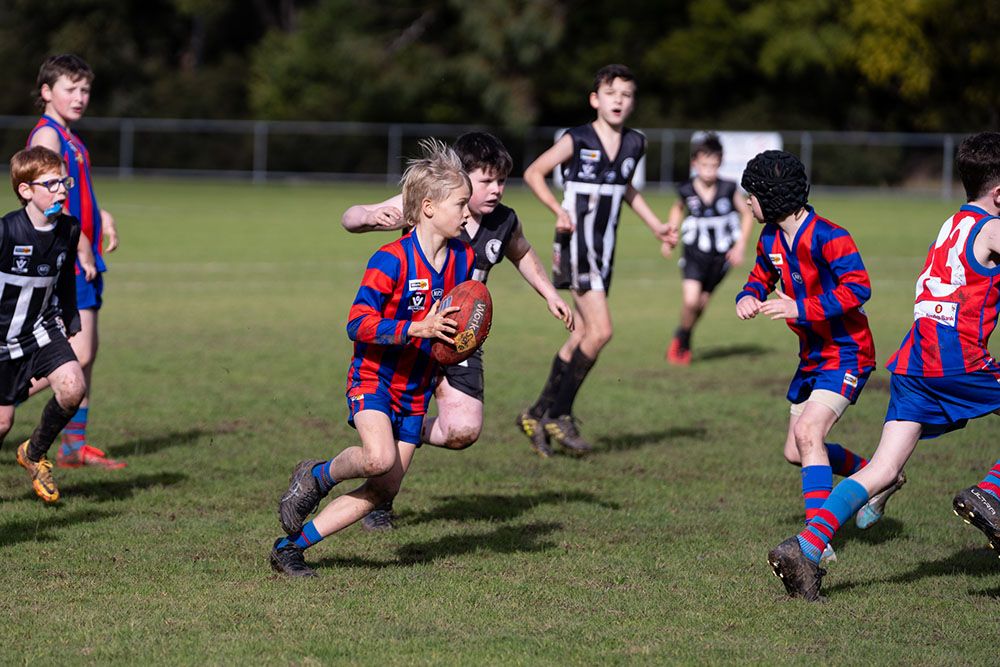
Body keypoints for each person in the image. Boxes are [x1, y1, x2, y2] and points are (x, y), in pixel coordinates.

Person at [767, 132, 1000, 601]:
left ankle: (806, 547)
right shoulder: (995, 227)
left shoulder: (955, 222)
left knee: (884, 466)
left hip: (914, 358)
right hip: (954, 354)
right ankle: (992, 492)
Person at [343, 132, 574, 529]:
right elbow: (350, 218)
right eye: (486, 181)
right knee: (400, 422)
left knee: (463, 431)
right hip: (413, 333)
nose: (496, 189)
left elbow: (522, 253)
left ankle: (394, 435)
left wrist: (549, 294)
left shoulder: (504, 221)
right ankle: (381, 493)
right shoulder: (431, 204)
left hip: (461, 337)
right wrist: (367, 217)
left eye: (501, 181)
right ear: (462, 179)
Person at [269, 139, 475, 576]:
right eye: (461, 204)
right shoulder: (390, 259)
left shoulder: (463, 257)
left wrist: (464, 338)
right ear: (429, 207)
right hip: (375, 378)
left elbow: (458, 316)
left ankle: (289, 548)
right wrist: (412, 328)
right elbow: (357, 324)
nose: (468, 213)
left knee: (383, 488)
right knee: (378, 458)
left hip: (416, 389)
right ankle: (318, 475)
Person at [735, 150, 886, 565]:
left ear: (772, 197)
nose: (747, 203)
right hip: (812, 357)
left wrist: (800, 308)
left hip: (848, 353)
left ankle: (816, 543)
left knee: (808, 434)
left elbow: (858, 289)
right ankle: (880, 473)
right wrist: (749, 295)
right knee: (794, 450)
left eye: (751, 195)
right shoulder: (771, 238)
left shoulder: (831, 236)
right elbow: (760, 276)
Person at [515, 64, 675, 454]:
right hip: (575, 244)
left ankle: (535, 414)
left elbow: (628, 191)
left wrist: (657, 226)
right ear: (595, 99)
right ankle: (559, 414)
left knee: (583, 334)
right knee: (601, 331)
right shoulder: (577, 138)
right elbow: (534, 172)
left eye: (626, 94)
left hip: (603, 249)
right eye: (611, 93)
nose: (618, 100)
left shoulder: (636, 143)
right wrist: (558, 209)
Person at [27, 54, 123, 469]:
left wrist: (100, 216)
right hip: (67, 257)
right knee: (75, 357)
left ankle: (72, 446)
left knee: (88, 353)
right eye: (70, 89)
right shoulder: (47, 137)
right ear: (47, 92)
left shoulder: (69, 136)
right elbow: (50, 200)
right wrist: (81, 245)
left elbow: (76, 192)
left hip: (84, 253)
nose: (80, 97)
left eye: (85, 89)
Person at [4, 147, 87, 503]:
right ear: (26, 191)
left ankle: (34, 453)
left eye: (64, 182)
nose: (61, 191)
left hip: (42, 329)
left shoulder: (68, 228)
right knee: (2, 424)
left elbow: (65, 276)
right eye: (51, 184)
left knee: (72, 386)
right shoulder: (6, 231)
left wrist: (70, 315)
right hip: (3, 339)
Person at [663, 133, 753, 365]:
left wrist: (740, 246)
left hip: (721, 257)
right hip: (694, 253)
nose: (709, 170)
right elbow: (677, 209)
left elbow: (746, 214)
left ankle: (683, 335)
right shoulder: (686, 189)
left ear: (720, 163)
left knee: (701, 304)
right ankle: (681, 340)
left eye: (714, 165)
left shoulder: (728, 188)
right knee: (691, 301)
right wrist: (669, 235)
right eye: (704, 165)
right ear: (695, 163)